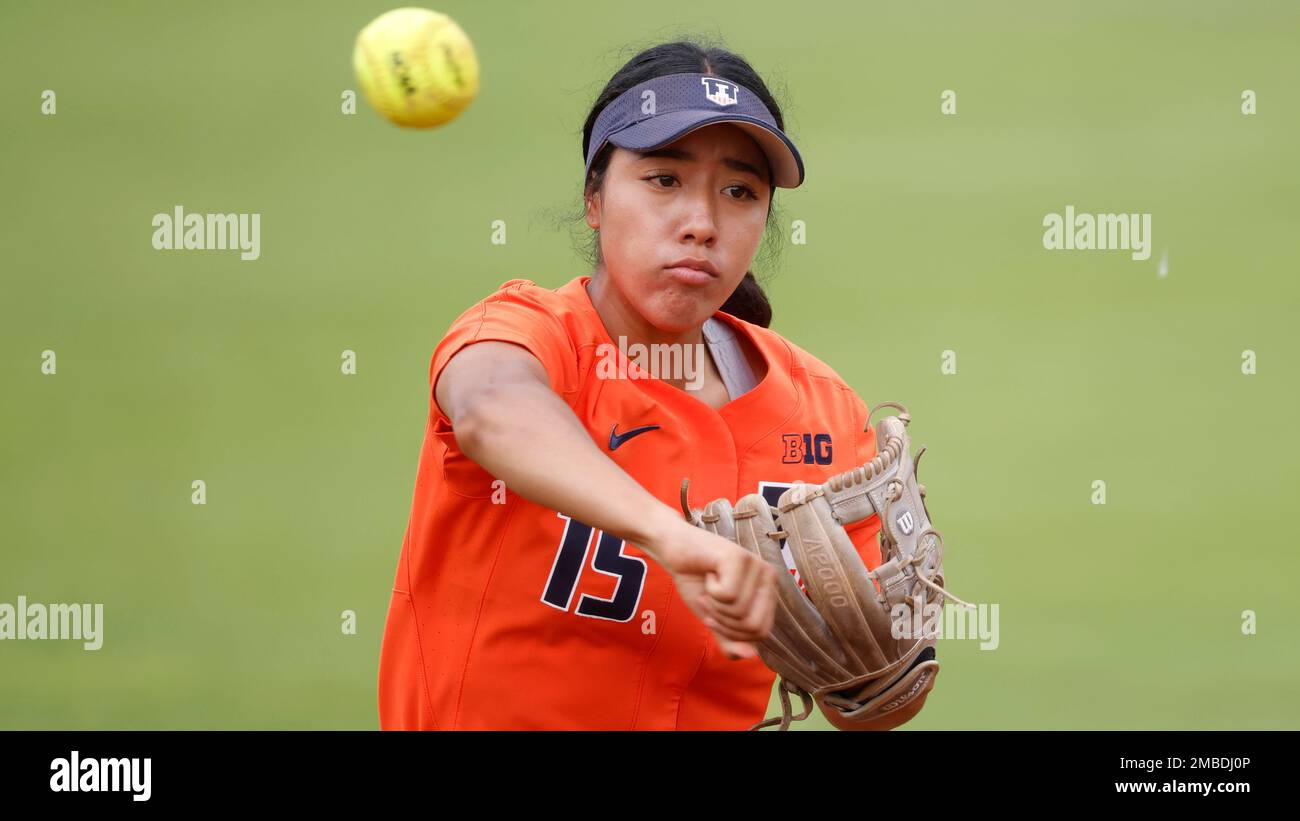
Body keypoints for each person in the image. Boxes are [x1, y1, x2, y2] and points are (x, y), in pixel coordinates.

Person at [378, 40, 886, 730]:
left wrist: (885, 676)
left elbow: (864, 689)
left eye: (739, 191)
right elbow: (489, 409)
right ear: (594, 197)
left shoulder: (822, 410)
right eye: (663, 180)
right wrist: (668, 536)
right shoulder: (529, 334)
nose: (701, 224)